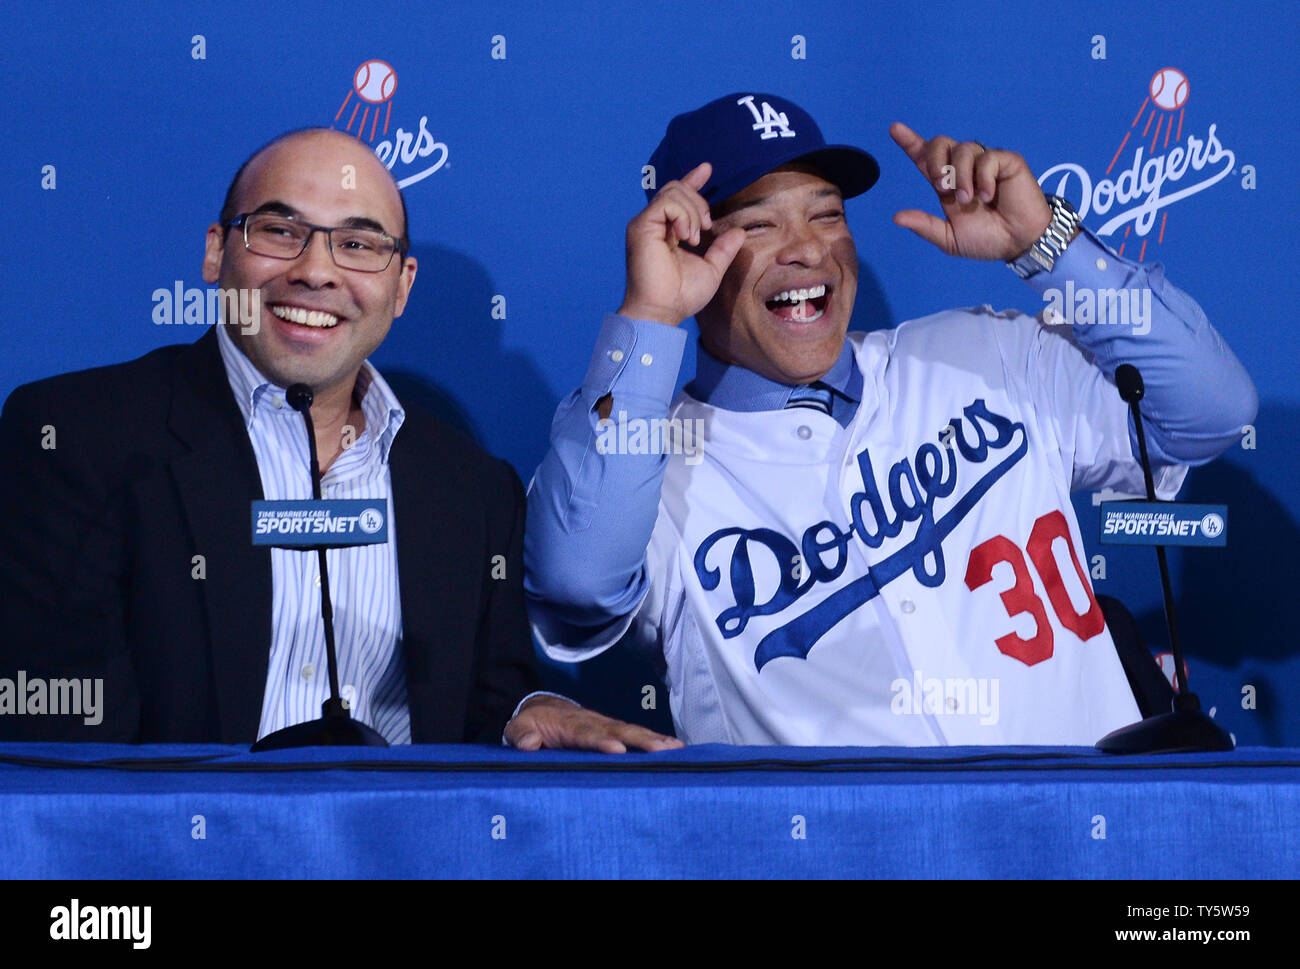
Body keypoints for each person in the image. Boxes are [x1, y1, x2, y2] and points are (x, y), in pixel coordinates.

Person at [524, 92, 1257, 746]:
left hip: (1087, 844)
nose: (807, 247)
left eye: (827, 214)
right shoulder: (649, 459)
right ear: (688, 250)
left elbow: (1211, 411)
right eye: (757, 225)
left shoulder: (984, 352)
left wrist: (1049, 245)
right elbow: (577, 586)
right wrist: (651, 315)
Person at [0, 127, 679, 753]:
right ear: (216, 252)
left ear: (401, 285)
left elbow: (484, 702)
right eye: (278, 231)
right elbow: (61, 744)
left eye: (358, 244)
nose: (316, 271)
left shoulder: (470, 488)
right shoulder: (77, 437)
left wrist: (525, 710)